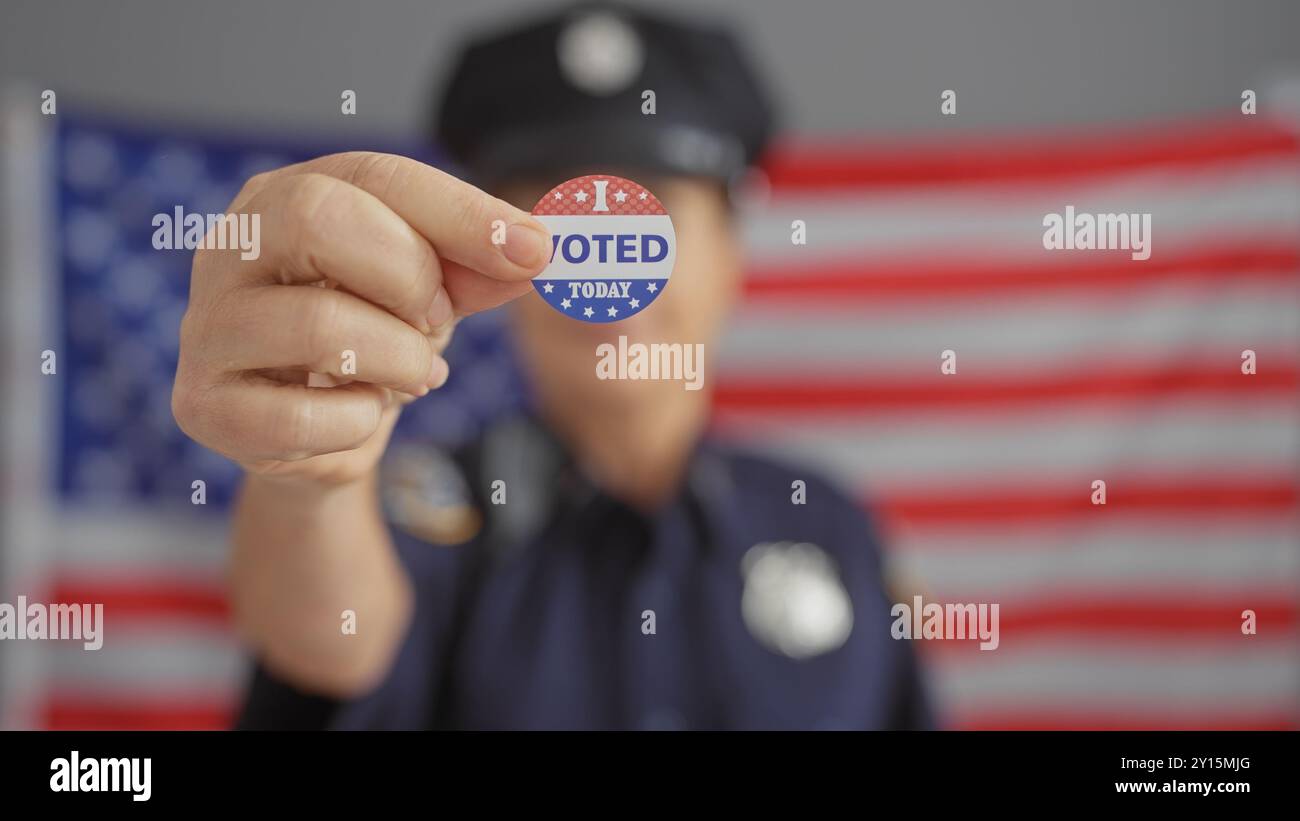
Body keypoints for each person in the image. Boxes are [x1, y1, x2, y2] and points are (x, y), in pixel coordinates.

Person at [171, 1, 932, 729]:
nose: (600, 249)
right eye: (554, 210)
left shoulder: (826, 521)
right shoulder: (436, 511)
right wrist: (311, 476)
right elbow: (327, 645)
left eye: (652, 204)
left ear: (732, 256)